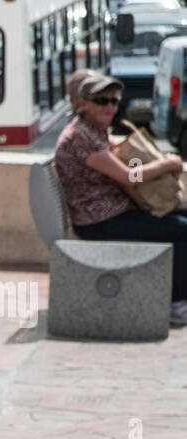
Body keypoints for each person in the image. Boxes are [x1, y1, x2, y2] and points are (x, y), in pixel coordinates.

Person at [54, 72, 187, 326]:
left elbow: (126, 166)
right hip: (99, 222)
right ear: (83, 103)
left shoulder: (94, 131)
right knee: (182, 230)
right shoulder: (80, 138)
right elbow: (128, 177)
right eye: (101, 101)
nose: (110, 107)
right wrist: (166, 164)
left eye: (114, 101)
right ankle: (177, 305)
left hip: (115, 212)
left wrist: (139, 157)